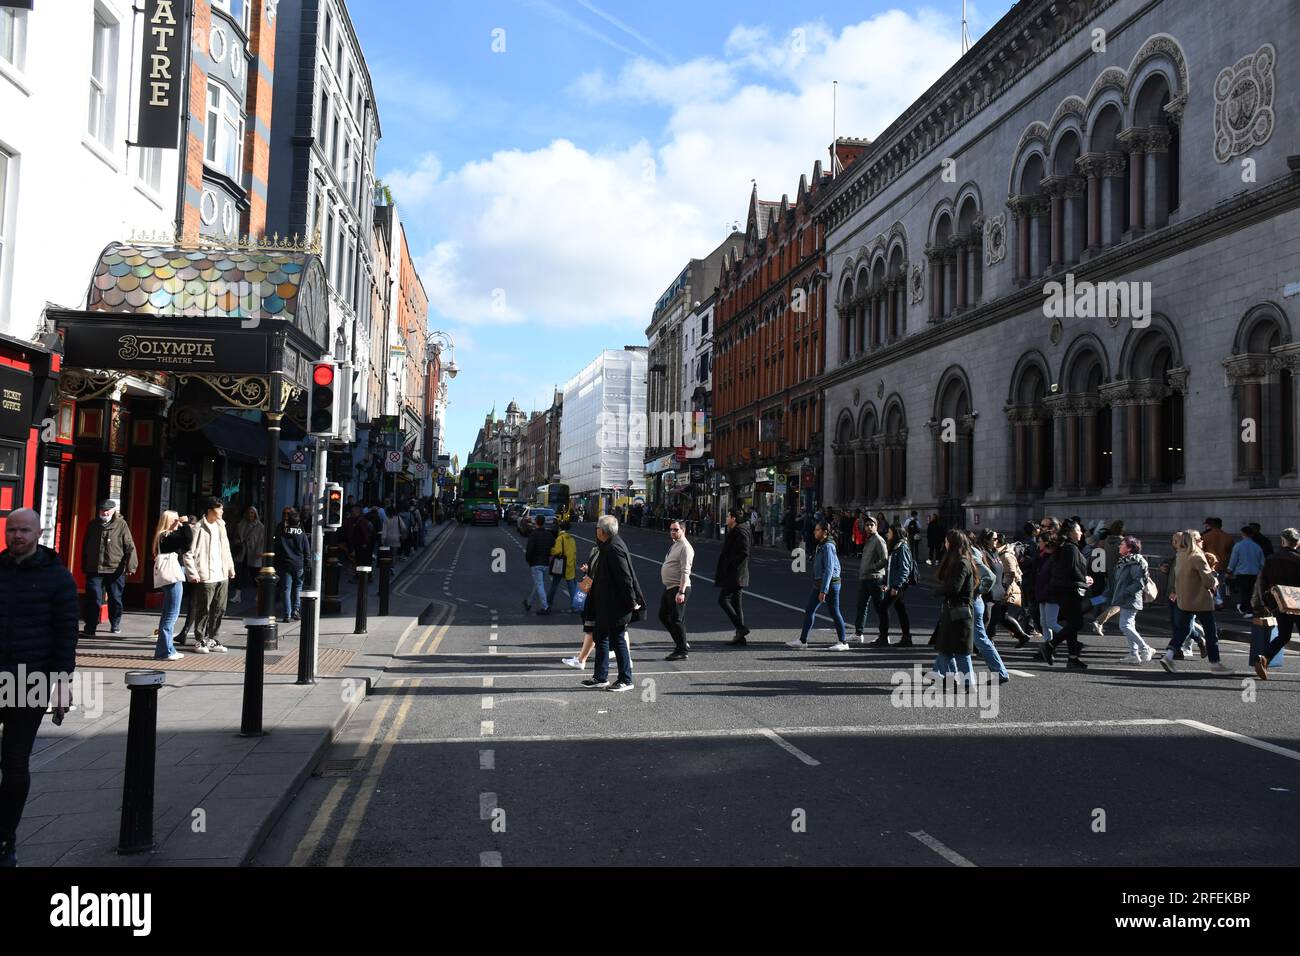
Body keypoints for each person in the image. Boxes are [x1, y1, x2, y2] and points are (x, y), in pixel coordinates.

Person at [0, 508, 79, 867]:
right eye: (11, 530)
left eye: (23, 531)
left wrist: (62, 685)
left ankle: (6, 838)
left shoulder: (58, 578)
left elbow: (66, 636)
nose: (16, 536)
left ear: (38, 533)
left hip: (29, 682)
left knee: (14, 764)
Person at [581, 515, 644, 692]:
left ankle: (626, 679)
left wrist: (632, 601)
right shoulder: (607, 545)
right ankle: (600, 677)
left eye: (596, 528)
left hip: (616, 604)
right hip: (604, 603)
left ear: (601, 531)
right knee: (600, 637)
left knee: (618, 640)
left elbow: (626, 578)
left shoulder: (614, 548)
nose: (595, 531)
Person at [1161, 530, 1230, 675]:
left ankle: (1169, 655)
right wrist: (1215, 580)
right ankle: (1215, 664)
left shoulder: (1181, 555)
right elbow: (1209, 581)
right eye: (1199, 539)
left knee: (1183, 630)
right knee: (1211, 633)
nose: (1202, 541)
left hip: (1184, 599)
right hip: (1201, 600)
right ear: (1194, 540)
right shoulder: (1198, 556)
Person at [80, 498, 137, 637]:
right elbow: (85, 545)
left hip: (115, 569)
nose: (104, 513)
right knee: (93, 597)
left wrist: (131, 566)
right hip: (95, 568)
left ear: (113, 511)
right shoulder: (93, 525)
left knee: (115, 598)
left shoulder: (121, 524)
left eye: (107, 511)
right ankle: (90, 627)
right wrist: (84, 564)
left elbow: (130, 546)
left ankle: (115, 623)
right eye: (102, 510)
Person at [789, 519, 848, 649]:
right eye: (815, 529)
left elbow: (829, 569)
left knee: (834, 612)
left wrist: (824, 590)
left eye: (817, 530)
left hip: (830, 584)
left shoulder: (828, 546)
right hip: (820, 583)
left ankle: (843, 642)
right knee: (810, 610)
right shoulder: (821, 544)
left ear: (825, 532)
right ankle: (803, 641)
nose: (814, 532)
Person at [186, 497, 234, 654]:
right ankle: (200, 640)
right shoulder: (198, 528)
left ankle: (212, 638)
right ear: (209, 510)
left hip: (222, 574)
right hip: (206, 575)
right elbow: (188, 553)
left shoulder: (221, 526)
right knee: (203, 609)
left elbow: (226, 549)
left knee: (220, 608)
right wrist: (193, 573)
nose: (222, 511)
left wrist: (230, 568)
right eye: (219, 508)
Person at [931, 529, 978, 684]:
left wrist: (937, 591)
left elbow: (954, 588)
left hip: (958, 612)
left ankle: (965, 682)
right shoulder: (961, 561)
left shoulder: (961, 563)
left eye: (946, 541)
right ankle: (939, 675)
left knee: (957, 650)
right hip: (956, 611)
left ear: (952, 544)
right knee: (949, 648)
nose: (944, 543)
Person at [1042, 519, 1090, 669]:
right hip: (1068, 590)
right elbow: (1070, 570)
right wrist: (1085, 579)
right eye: (1078, 530)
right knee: (1077, 623)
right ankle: (1050, 645)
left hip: (1064, 589)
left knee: (1072, 624)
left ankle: (1072, 658)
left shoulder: (1067, 547)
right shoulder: (1070, 548)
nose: (1081, 532)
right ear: (1071, 532)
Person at [1099, 535, 1154, 664]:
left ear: (1129, 548)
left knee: (1125, 625)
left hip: (1130, 598)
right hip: (1124, 598)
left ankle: (1145, 648)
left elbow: (1139, 582)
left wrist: (1124, 593)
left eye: (1122, 544)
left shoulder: (1135, 562)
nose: (1119, 546)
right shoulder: (1125, 560)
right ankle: (1133, 654)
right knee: (1130, 626)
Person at [1255, 528, 1300, 679]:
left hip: (1279, 602)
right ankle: (1265, 658)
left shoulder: (1271, 558)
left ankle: (1265, 657)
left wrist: (1266, 602)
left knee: (1284, 635)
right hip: (1298, 601)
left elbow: (1263, 582)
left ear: (1282, 541)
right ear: (1298, 543)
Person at [969, 531, 1010, 682]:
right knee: (954, 638)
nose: (996, 540)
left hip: (984, 597)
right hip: (985, 597)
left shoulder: (975, 554)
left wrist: (978, 591)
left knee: (981, 636)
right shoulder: (983, 553)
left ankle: (1000, 672)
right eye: (994, 538)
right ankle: (940, 672)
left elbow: (990, 576)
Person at [151, 510, 192, 660]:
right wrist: (185, 524)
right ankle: (165, 652)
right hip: (172, 578)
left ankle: (167, 649)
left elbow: (186, 546)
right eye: (175, 520)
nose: (179, 523)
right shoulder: (166, 536)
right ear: (169, 521)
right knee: (171, 616)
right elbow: (188, 538)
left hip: (169, 576)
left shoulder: (164, 537)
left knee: (168, 615)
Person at [658, 520, 694, 660]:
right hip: (670, 587)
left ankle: (682, 649)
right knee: (663, 615)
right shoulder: (675, 545)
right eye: (671, 529)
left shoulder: (685, 547)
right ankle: (681, 641)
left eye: (676, 529)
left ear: (683, 530)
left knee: (676, 619)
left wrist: (681, 591)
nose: (673, 532)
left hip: (678, 588)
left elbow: (686, 571)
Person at [715, 508, 752, 645]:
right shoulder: (736, 530)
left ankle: (741, 629)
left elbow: (744, 552)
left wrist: (731, 563)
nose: (726, 518)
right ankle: (740, 637)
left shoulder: (740, 531)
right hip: (736, 573)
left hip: (735, 573)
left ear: (733, 518)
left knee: (723, 600)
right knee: (736, 604)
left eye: (727, 516)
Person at [876, 523, 914, 646]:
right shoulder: (896, 547)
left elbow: (904, 569)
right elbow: (890, 568)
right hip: (894, 584)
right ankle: (906, 637)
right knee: (900, 610)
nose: (887, 534)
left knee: (883, 607)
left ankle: (883, 637)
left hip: (899, 585)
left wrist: (896, 586)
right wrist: (885, 582)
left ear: (896, 534)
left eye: (890, 532)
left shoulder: (902, 548)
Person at [855, 515, 887, 641]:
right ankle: (858, 633)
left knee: (880, 608)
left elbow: (884, 559)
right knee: (861, 606)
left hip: (875, 579)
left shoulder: (879, 540)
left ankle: (884, 635)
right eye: (867, 525)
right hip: (865, 578)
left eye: (871, 525)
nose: (868, 527)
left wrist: (873, 567)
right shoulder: (868, 539)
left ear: (876, 526)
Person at [275, 508, 309, 621]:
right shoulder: (302, 534)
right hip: (298, 564)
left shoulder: (282, 533)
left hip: (285, 564)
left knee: (286, 589)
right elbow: (307, 551)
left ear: (288, 521)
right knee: (298, 587)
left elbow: (277, 549)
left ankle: (287, 614)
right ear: (298, 522)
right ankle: (296, 610)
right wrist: (307, 563)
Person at [1226, 525, 1265, 617]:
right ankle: (1246, 608)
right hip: (1254, 572)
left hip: (1242, 572)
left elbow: (1233, 560)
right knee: (1250, 591)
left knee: (1244, 591)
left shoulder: (1238, 546)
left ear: (1242, 534)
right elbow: (1262, 562)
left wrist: (1229, 570)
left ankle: (1247, 609)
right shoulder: (1257, 546)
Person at [522, 514, 557, 615]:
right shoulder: (549, 535)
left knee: (539, 585)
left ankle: (545, 607)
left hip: (536, 563)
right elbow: (553, 548)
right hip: (546, 563)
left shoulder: (533, 534)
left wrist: (529, 561)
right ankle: (529, 603)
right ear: (544, 522)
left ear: (536, 522)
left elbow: (529, 550)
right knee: (538, 583)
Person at [232, 506, 265, 606]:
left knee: (255, 574)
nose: (250, 515)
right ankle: (238, 595)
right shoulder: (241, 524)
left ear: (255, 514)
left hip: (254, 553)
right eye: (249, 512)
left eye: (252, 513)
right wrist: (239, 541)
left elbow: (262, 541)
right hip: (242, 552)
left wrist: (260, 552)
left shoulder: (260, 526)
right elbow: (235, 537)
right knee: (238, 573)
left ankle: (259, 593)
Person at [547, 520, 579, 612]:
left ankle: (549, 603)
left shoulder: (560, 538)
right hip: (570, 565)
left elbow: (557, 551)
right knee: (571, 586)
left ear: (560, 528)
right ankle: (575, 606)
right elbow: (574, 552)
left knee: (554, 585)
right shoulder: (571, 538)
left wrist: (550, 550)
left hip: (560, 566)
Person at [1201, 517, 1233, 609]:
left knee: (1210, 583)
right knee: (1221, 584)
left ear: (1210, 525)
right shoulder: (1228, 537)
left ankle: (1215, 602)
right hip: (1223, 563)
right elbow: (1230, 551)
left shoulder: (1205, 537)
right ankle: (1220, 601)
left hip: (1210, 564)